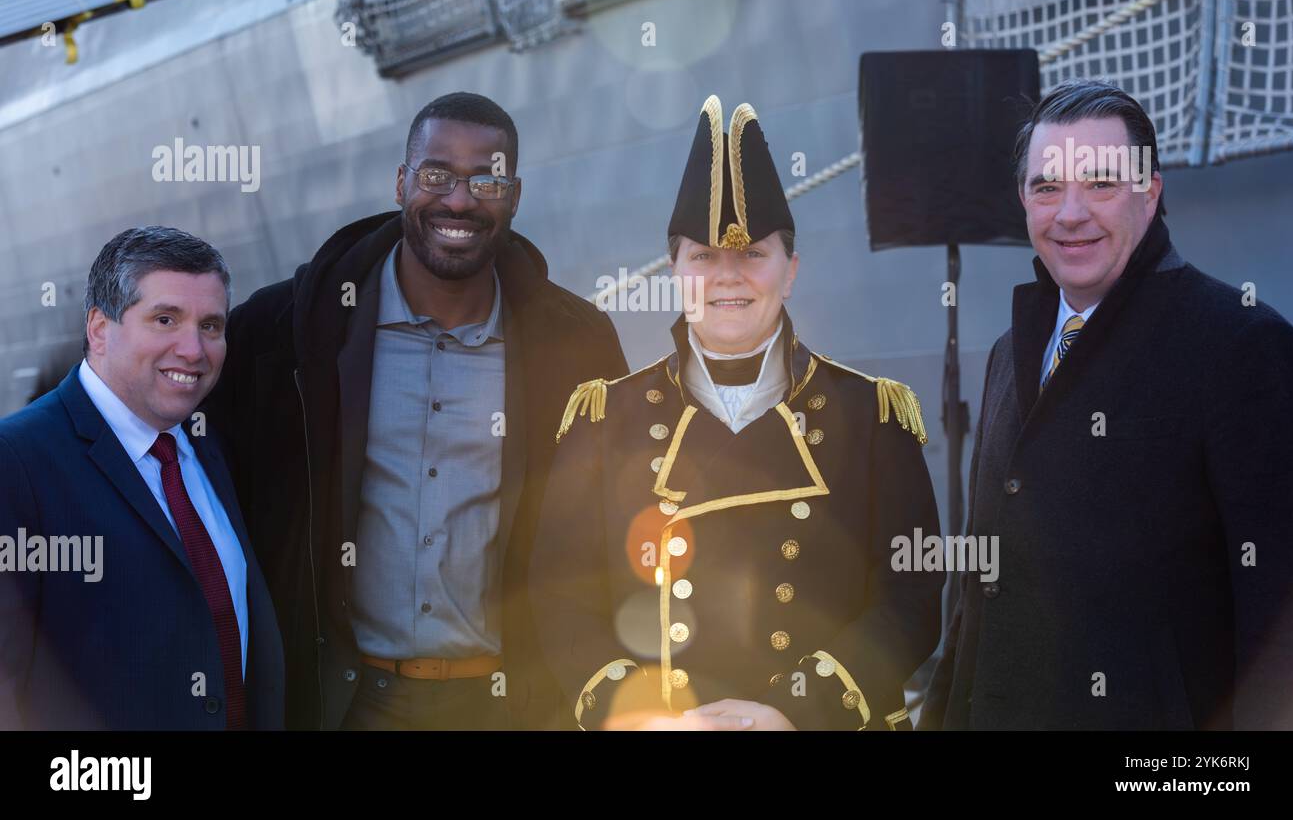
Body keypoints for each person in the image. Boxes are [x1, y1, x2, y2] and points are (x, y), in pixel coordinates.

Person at [204, 92, 627, 730]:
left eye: (487, 179)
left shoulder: (577, 345)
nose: (459, 200)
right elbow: (188, 485)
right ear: (402, 182)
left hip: (511, 708)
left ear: (513, 195)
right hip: (342, 706)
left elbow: (615, 526)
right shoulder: (281, 333)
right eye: (436, 176)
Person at [530, 95, 942, 730]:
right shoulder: (602, 419)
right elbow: (560, 597)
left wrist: (790, 712)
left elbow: (910, 598)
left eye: (753, 255)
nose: (729, 278)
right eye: (704, 257)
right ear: (675, 271)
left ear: (791, 270)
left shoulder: (872, 416)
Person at [921, 79, 1293, 730]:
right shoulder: (1007, 356)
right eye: (1047, 187)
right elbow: (979, 599)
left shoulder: (1242, 345)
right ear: (1023, 200)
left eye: (1100, 182)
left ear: (1149, 193)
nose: (1070, 212)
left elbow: (1281, 625)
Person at [0, 227, 284, 729]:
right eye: (165, 319)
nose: (194, 350)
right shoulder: (16, 460)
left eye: (212, 326)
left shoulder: (209, 447)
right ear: (99, 328)